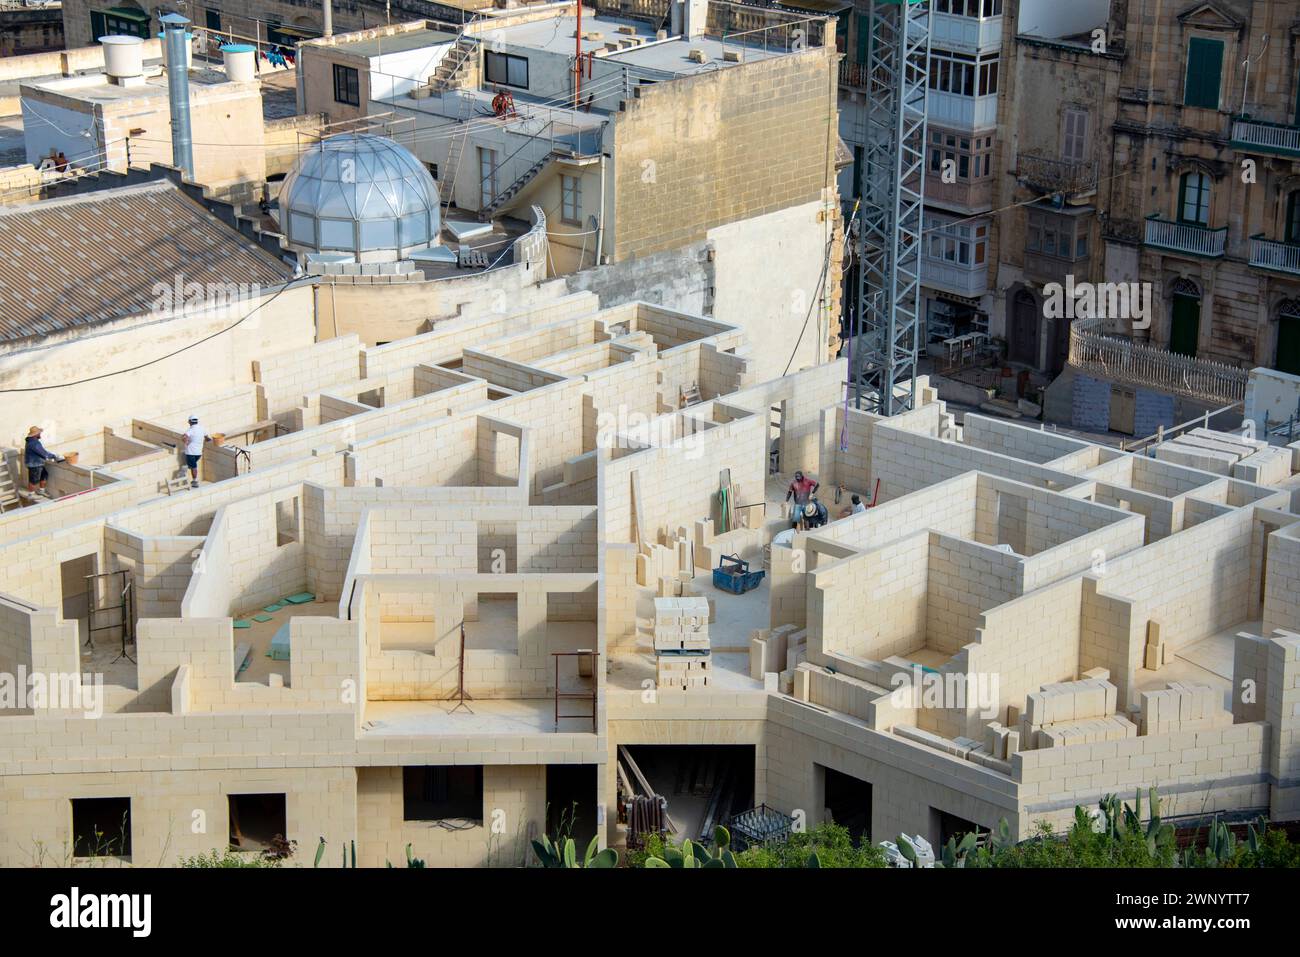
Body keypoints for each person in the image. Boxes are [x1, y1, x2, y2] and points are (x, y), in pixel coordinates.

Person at [24, 426, 62, 498]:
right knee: (33, 480)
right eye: (39, 433)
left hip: (37, 463)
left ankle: (41, 491)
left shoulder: (30, 440)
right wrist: (54, 456)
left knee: (44, 476)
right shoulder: (34, 443)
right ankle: (30, 494)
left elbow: (41, 452)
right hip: (35, 464)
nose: (40, 434)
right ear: (35, 434)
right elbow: (43, 453)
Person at [182, 416, 210, 489]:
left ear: (190, 422)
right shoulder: (202, 428)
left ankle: (194, 481)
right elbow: (207, 437)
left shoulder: (191, 429)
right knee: (192, 465)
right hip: (199, 453)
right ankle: (188, 467)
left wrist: (186, 442)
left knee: (193, 467)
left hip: (190, 452)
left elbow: (184, 437)